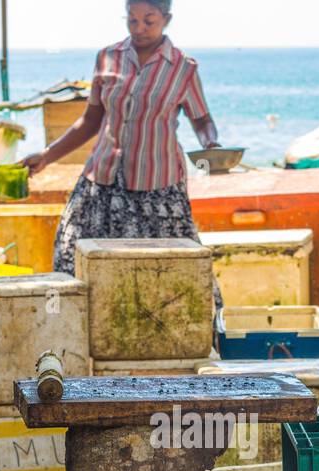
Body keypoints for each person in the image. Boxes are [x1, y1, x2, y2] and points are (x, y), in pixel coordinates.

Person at [22, 0, 222, 282]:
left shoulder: (183, 68)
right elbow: (91, 119)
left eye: (149, 21)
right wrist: (46, 156)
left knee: (170, 276)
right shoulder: (107, 57)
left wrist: (211, 143)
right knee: (72, 262)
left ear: (166, 19)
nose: (139, 28)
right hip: (100, 185)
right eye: (132, 20)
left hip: (158, 189)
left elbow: (202, 120)